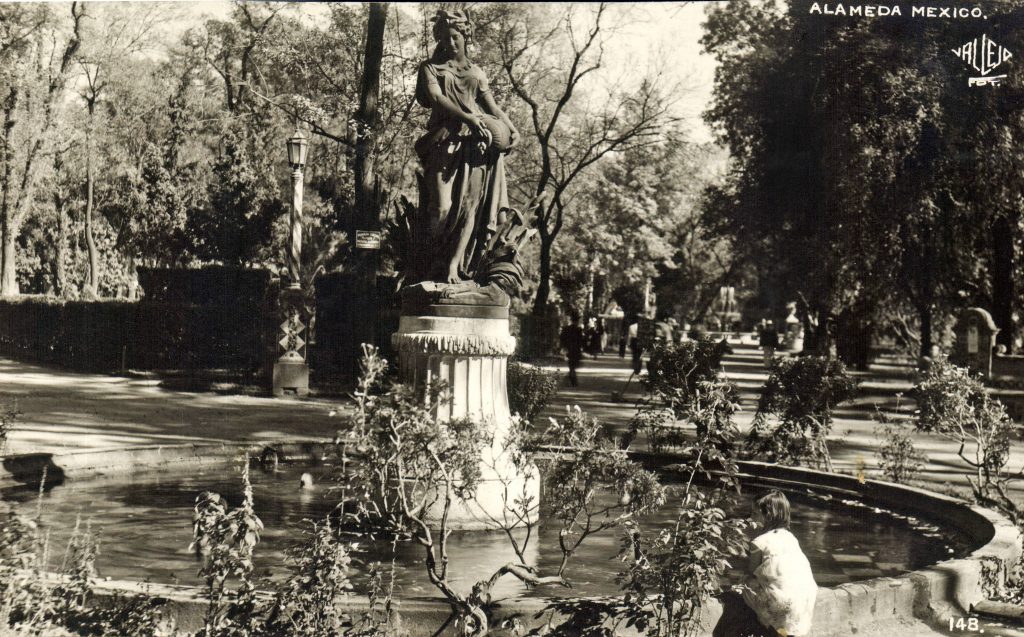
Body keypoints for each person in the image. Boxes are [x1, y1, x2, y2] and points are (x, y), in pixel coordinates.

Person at [415, 9, 519, 284]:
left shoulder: (476, 72)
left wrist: (511, 128)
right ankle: (430, 261)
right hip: (442, 140)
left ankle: (452, 267)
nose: (450, 43)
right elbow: (436, 99)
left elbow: (492, 107)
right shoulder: (430, 68)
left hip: (476, 145)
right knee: (442, 208)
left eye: (455, 36)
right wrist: (468, 118)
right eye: (445, 38)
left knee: (469, 208)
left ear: (465, 36)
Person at [740, 491, 817, 637]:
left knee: (745, 582)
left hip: (780, 604)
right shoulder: (790, 537)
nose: (751, 518)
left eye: (755, 514)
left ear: (768, 516)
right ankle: (784, 632)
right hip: (805, 597)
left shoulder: (758, 542)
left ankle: (768, 627)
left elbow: (751, 571)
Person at [560, 312, 585, 387]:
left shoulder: (566, 329)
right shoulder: (579, 330)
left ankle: (572, 379)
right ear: (577, 321)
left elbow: (562, 338)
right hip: (576, 349)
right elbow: (581, 340)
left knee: (571, 365)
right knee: (573, 365)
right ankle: (573, 379)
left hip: (569, 349)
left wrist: (564, 347)